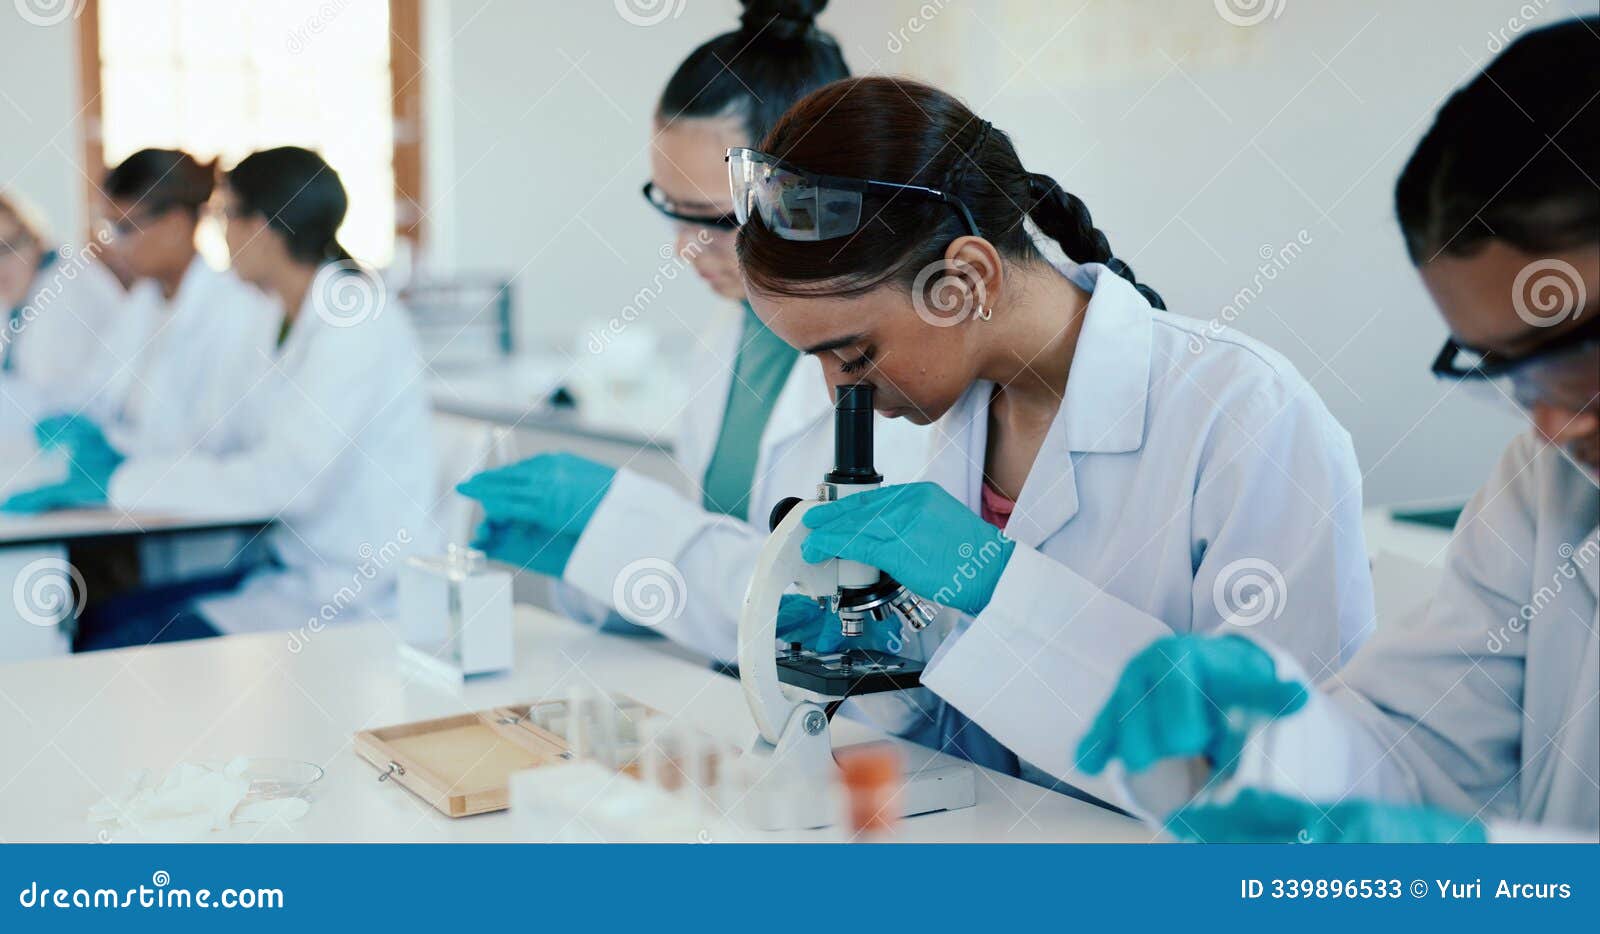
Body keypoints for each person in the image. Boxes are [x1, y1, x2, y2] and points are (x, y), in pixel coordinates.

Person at [729, 75, 1376, 793]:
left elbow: (1289, 763)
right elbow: (976, 720)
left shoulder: (1246, 416)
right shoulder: (937, 407)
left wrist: (1005, 589)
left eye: (855, 355)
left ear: (966, 278)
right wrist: (883, 664)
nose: (838, 391)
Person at [1076, 17, 1598, 842]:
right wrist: (1269, 736)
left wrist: (1511, 871)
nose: (1550, 420)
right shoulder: (1550, 483)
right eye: (1505, 371)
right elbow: (1422, 752)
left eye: (1568, 346)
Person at [458, 0, 929, 660]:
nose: (687, 248)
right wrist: (599, 561)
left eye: (713, 217)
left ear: (808, 194)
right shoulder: (725, 335)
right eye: (669, 210)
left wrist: (623, 526)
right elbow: (713, 553)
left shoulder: (903, 369)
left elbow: (868, 628)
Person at [4, 147, 438, 651]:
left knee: (111, 642)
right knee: (95, 621)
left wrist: (122, 481)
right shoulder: (273, 315)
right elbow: (219, 435)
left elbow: (286, 481)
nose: (219, 234)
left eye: (227, 216)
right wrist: (123, 462)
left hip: (354, 594)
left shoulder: (356, 323)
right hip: (289, 574)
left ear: (265, 226)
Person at [73, 149, 281, 456]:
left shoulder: (237, 309)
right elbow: (98, 392)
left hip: (192, 493)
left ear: (175, 225)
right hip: (141, 488)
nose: (112, 244)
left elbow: (215, 439)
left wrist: (123, 455)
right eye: (108, 228)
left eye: (124, 228)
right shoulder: (142, 303)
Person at [0, 192, 127, 443]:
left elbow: (48, 398)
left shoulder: (67, 288)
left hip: (102, 444)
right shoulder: (18, 295)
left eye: (4, 248)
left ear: (34, 240)